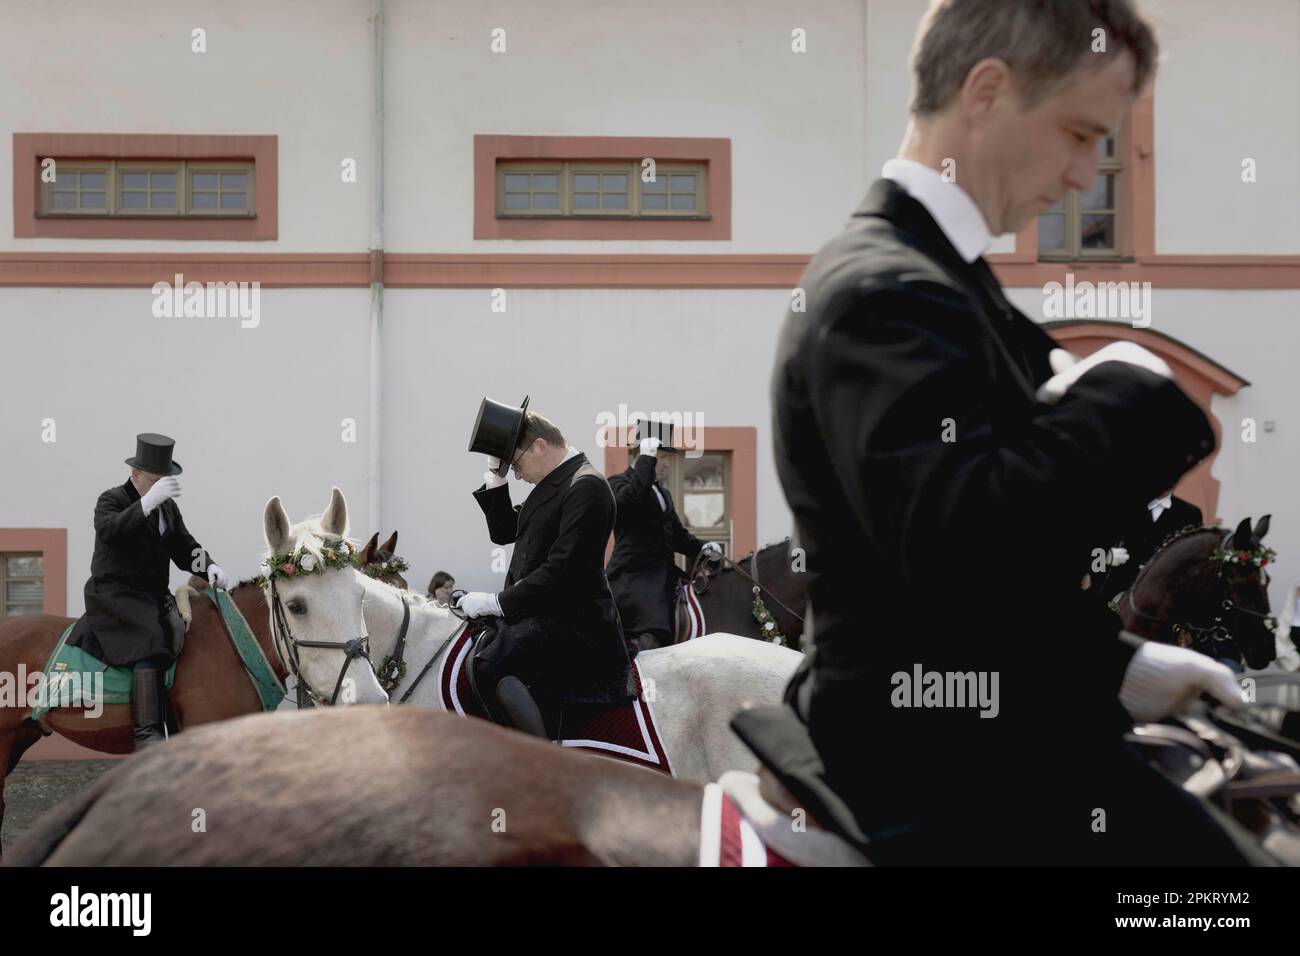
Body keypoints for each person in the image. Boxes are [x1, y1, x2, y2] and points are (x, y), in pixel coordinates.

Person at [738, 0, 1264, 864]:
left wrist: (1118, 666)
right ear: (987, 91)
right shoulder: (887, 290)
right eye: (1078, 133)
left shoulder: (943, 279)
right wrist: (1132, 387)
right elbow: (965, 547)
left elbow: (983, 585)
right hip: (923, 750)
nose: (1087, 176)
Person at [458, 404, 632, 739]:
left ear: (539, 445)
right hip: (540, 616)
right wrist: (495, 479)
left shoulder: (586, 486)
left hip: (575, 626)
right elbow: (506, 531)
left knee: (487, 663)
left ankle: (539, 759)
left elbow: (563, 572)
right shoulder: (556, 483)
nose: (518, 475)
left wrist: (495, 602)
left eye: (517, 463)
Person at [67, 433, 229, 749]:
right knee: (150, 640)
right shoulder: (111, 500)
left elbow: (185, 547)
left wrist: (207, 566)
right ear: (135, 474)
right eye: (154, 481)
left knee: (186, 636)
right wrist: (146, 503)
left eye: (163, 482)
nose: (160, 488)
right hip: (114, 595)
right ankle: (147, 733)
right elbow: (111, 531)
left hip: (153, 595)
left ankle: (179, 721)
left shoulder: (168, 511)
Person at [607, 419, 723, 651]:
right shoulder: (616, 483)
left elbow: (678, 536)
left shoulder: (663, 494)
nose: (667, 464)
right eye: (661, 457)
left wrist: (703, 547)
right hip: (634, 577)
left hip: (665, 574)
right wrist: (647, 459)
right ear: (642, 457)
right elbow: (632, 499)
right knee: (652, 628)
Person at [1099, 488, 1204, 604]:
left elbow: (1190, 563)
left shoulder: (1190, 514)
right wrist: (1105, 556)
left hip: (1155, 602)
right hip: (1108, 592)